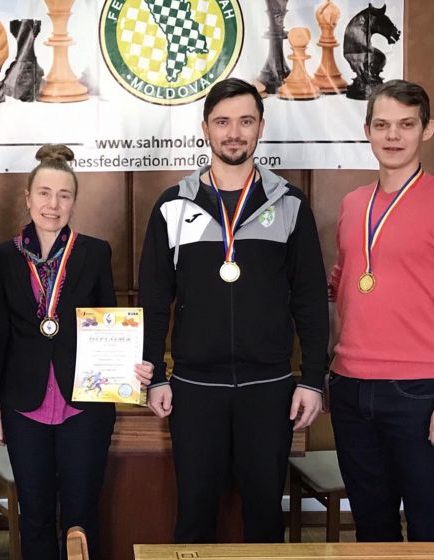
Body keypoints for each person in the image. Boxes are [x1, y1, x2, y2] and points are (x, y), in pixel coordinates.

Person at [138, 77, 329, 543]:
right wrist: (158, 377)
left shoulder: (289, 205)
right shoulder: (172, 205)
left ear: (260, 127)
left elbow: (309, 300)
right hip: (194, 388)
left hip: (268, 387)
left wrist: (311, 379)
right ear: (205, 128)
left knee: (265, 516)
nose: (234, 132)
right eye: (223, 122)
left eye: (245, 121)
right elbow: (153, 299)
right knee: (195, 514)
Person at [328, 79, 434, 542]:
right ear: (366, 130)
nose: (392, 136)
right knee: (371, 527)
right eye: (382, 125)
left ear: (427, 129)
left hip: (419, 391)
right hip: (350, 387)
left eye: (405, 125)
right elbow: (344, 285)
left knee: (431, 526)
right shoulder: (351, 204)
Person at [0, 145, 152, 560]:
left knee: (80, 514)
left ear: (74, 201)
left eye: (63, 195)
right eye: (43, 193)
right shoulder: (5, 257)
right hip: (25, 403)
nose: (52, 204)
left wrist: (132, 364)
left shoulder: (94, 252)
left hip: (86, 403)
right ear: (27, 197)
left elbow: (110, 321)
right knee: (35, 514)